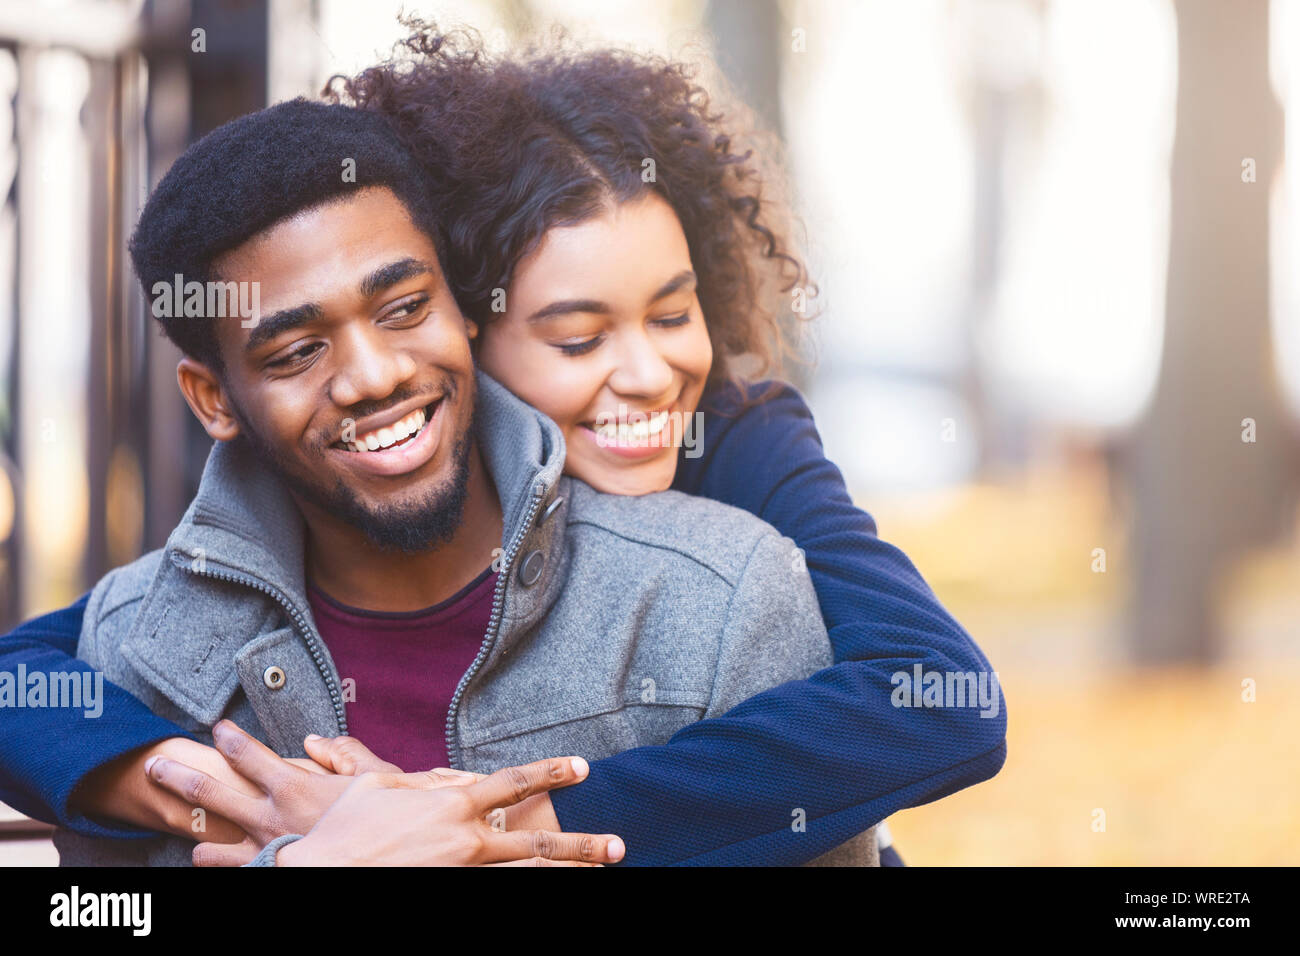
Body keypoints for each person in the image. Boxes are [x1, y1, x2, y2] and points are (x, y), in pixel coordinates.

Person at [0, 30, 1006, 866]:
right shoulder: (238, 564)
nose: (648, 374)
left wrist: (505, 825)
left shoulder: (734, 448)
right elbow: (44, 661)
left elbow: (934, 698)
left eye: (672, 312)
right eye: (575, 338)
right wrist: (223, 797)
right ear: (475, 328)